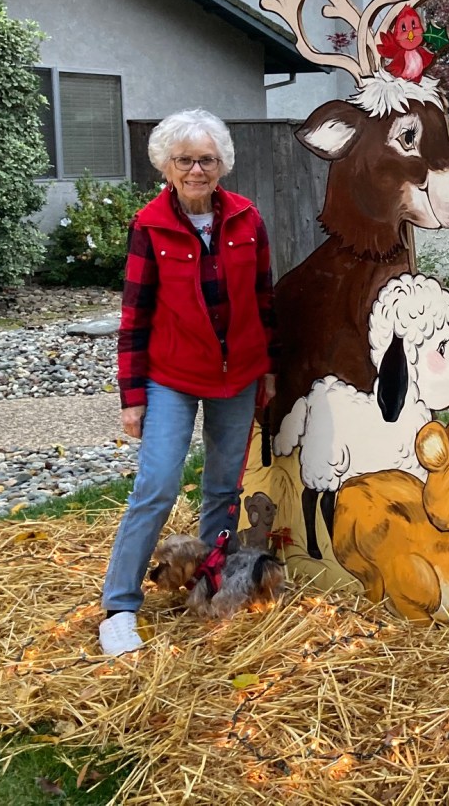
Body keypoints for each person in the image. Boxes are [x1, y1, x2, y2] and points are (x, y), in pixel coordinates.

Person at [99, 109, 278, 657]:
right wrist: (133, 399)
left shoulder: (247, 219)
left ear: (221, 164)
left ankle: (211, 587)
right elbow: (134, 317)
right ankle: (120, 606)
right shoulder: (149, 225)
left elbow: (264, 301)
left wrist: (268, 368)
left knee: (224, 488)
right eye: (184, 160)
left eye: (206, 159)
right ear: (167, 166)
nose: (196, 169)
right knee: (156, 484)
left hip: (238, 375)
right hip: (170, 377)